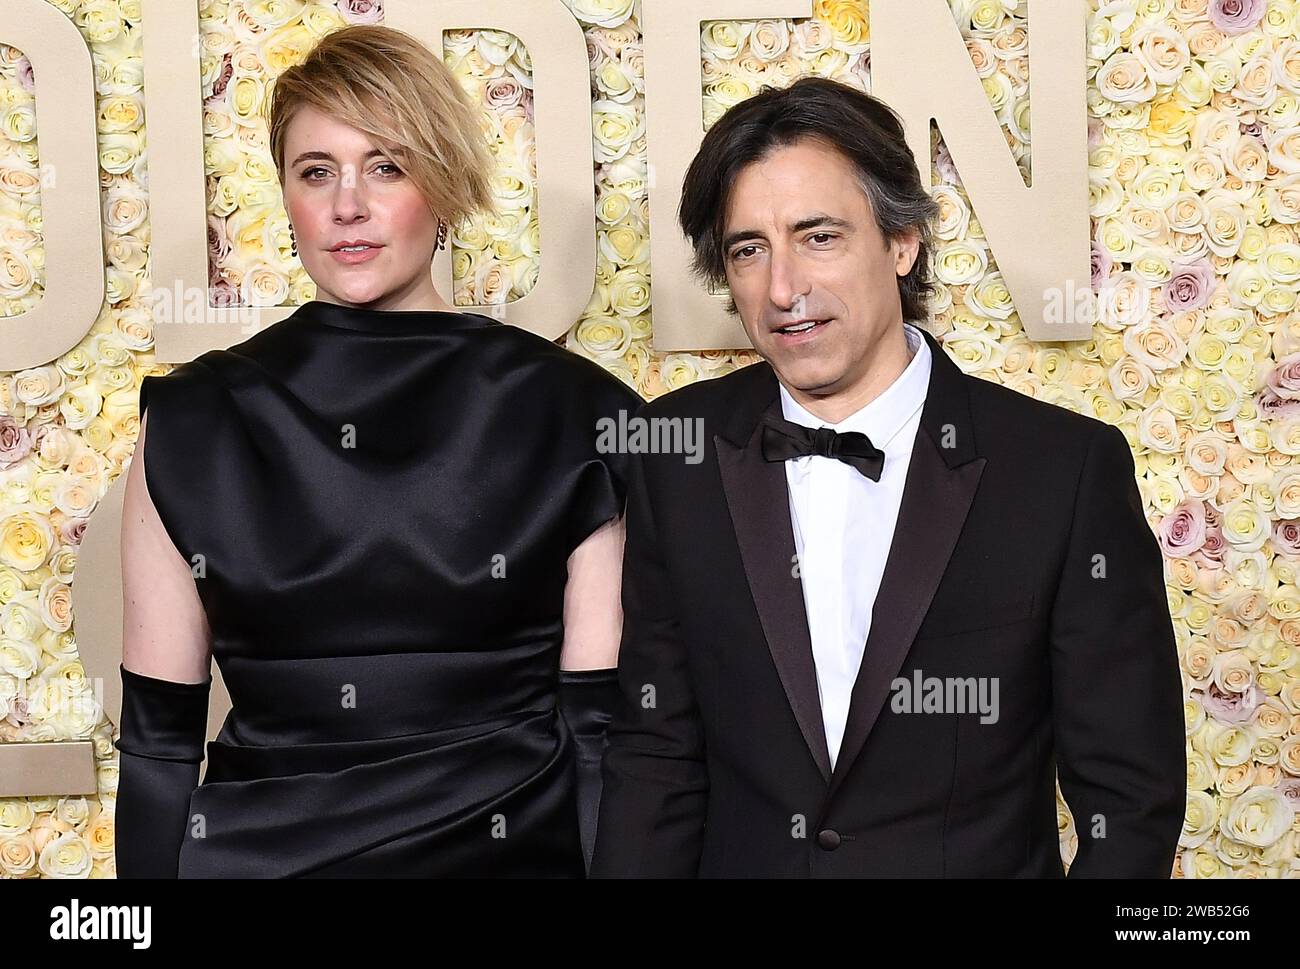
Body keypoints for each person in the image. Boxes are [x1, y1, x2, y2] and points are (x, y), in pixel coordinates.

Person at [590, 76, 1186, 878]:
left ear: (901, 241)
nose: (783, 289)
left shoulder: (1062, 470)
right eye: (748, 250)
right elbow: (656, 754)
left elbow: (1130, 795)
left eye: (820, 236)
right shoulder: (678, 453)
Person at [114, 25, 640, 878]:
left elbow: (600, 740)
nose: (347, 204)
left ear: (444, 183)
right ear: (285, 195)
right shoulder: (192, 420)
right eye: (315, 171)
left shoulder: (576, 412)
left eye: (386, 166)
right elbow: (159, 749)